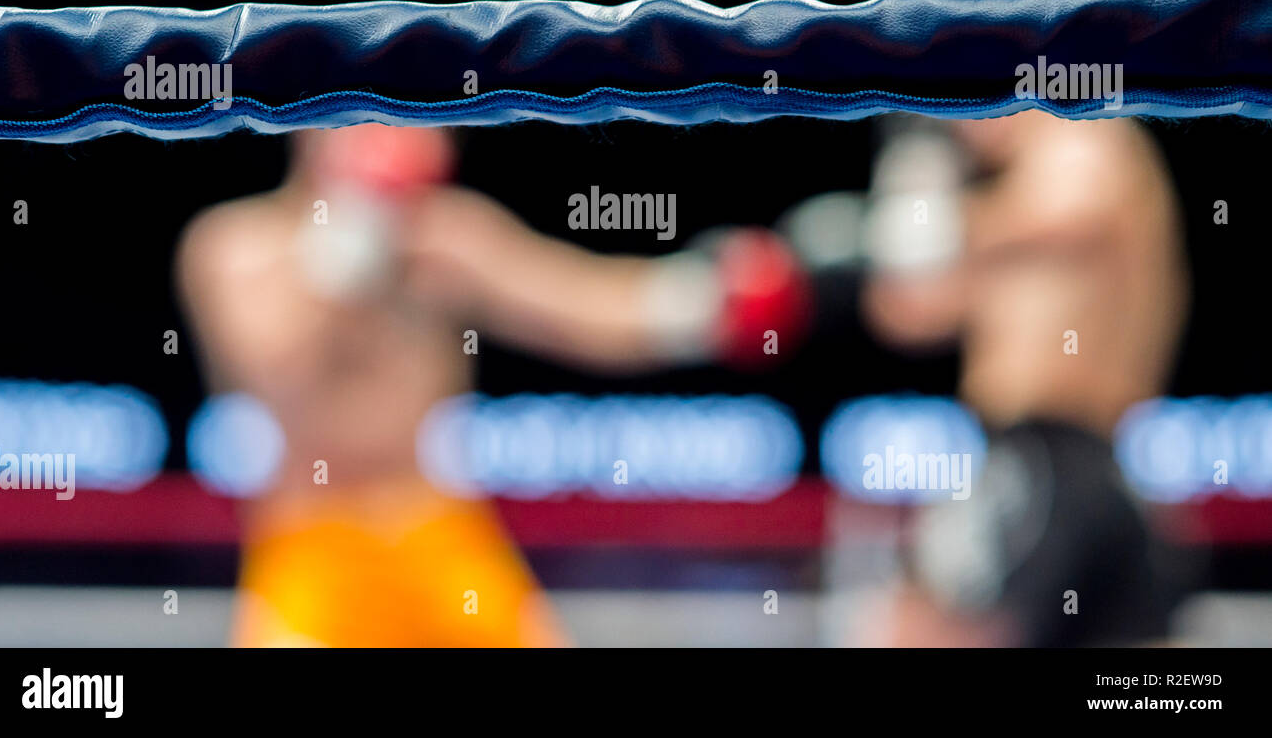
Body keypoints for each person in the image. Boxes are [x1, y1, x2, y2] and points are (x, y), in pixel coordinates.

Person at [177, 123, 809, 646]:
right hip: (310, 544)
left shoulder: (442, 235)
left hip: (437, 530)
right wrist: (350, 244)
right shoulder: (235, 247)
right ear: (312, 129)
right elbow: (273, 370)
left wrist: (699, 304)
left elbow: (576, 305)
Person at [858, 111, 1191, 646]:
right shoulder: (1012, 221)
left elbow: (1075, 216)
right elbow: (906, 314)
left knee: (927, 629)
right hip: (1066, 464)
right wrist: (902, 228)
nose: (959, 127)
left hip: (1046, 461)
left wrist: (940, 222)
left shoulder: (1081, 137)